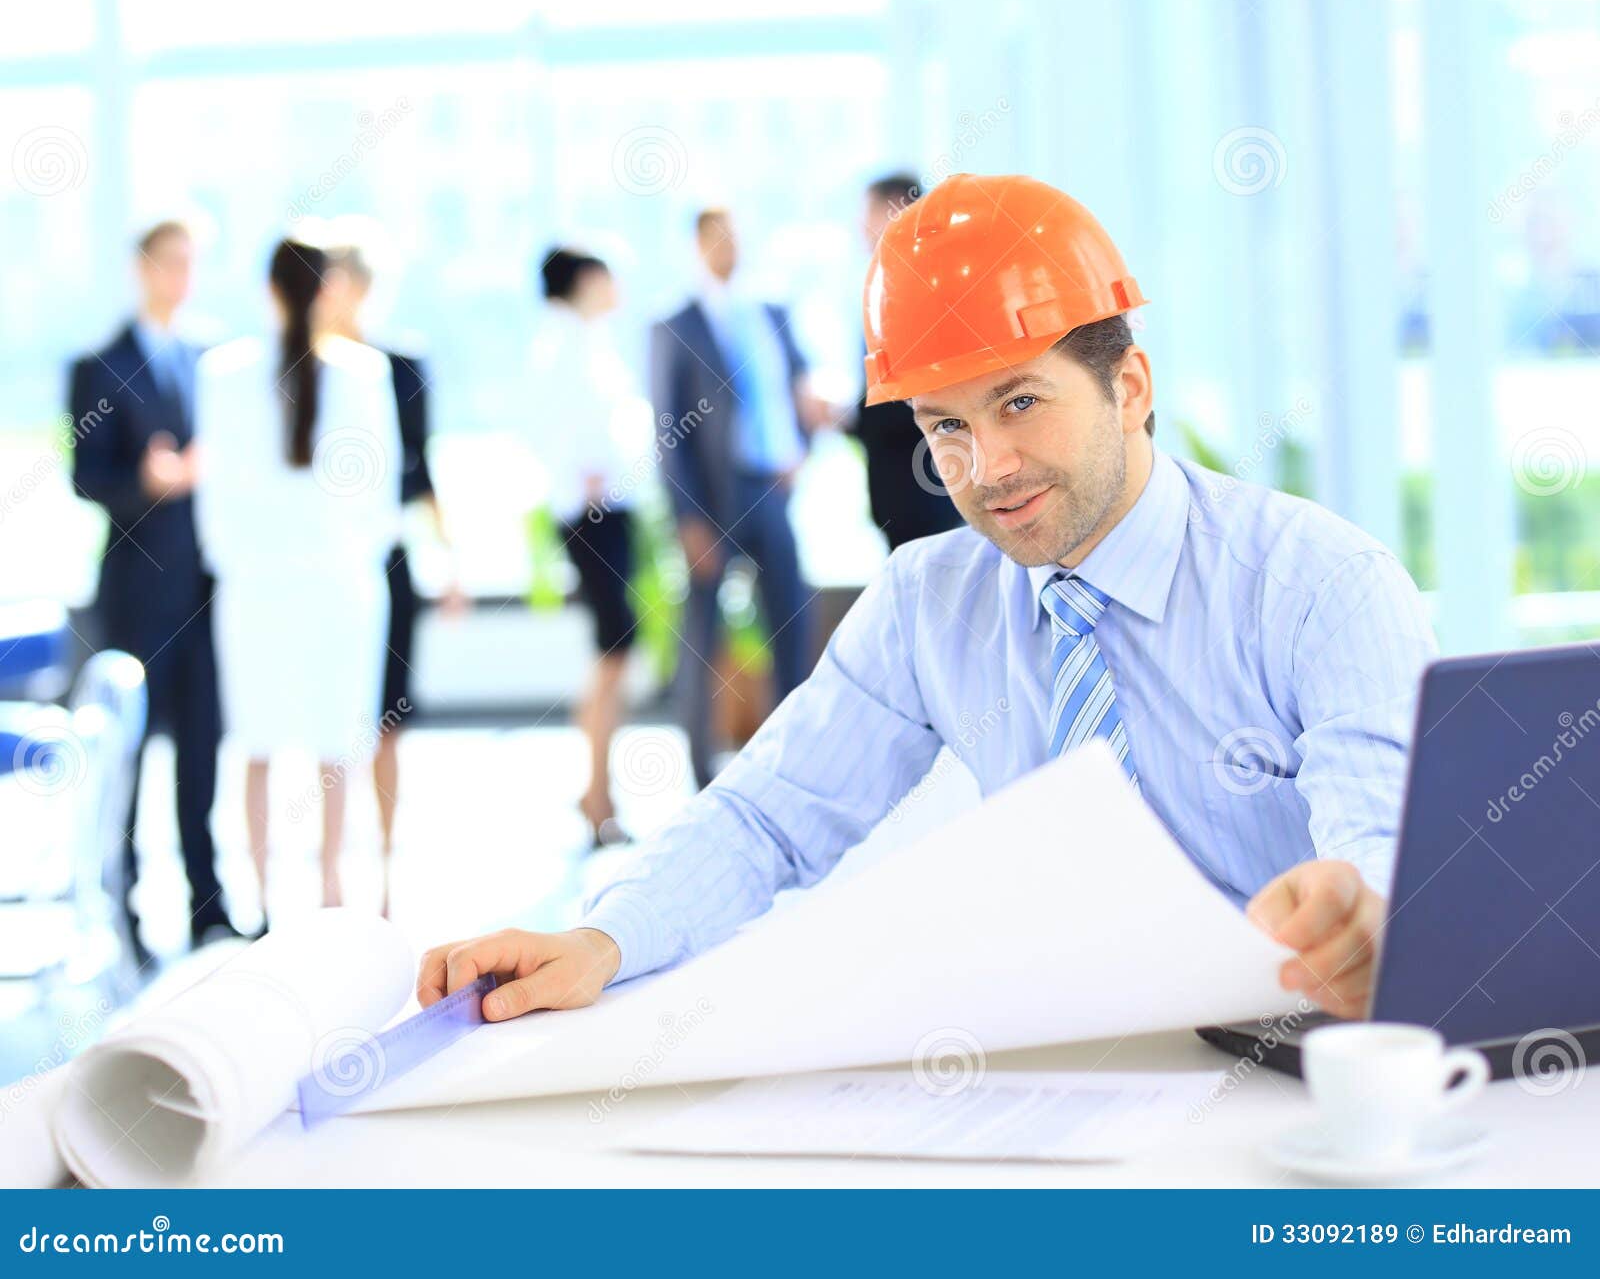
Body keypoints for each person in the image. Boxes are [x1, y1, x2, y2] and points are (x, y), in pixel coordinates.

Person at [418, 174, 1435, 1026]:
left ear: (1129, 387)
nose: (986, 468)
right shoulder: (928, 600)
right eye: (946, 426)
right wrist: (602, 938)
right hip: (1065, 1064)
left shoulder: (1318, 587)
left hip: (1285, 1065)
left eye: (1019, 402)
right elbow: (767, 816)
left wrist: (1370, 919)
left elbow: (1387, 842)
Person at [194, 238, 400, 916]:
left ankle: (261, 899)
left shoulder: (221, 371)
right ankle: (330, 891)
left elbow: (214, 497)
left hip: (254, 587)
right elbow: (380, 496)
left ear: (270, 288)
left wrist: (237, 561)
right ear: (329, 290)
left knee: (257, 743)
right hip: (338, 583)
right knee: (335, 746)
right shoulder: (364, 372)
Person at [69, 219, 236, 954]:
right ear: (141, 267)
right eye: (170, 262)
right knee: (132, 753)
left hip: (207, 586)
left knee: (203, 745)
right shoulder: (99, 366)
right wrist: (147, 481)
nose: (181, 276)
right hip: (138, 587)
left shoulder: (215, 359)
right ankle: (126, 910)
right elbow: (85, 477)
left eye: (191, 263)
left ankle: (209, 904)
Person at [317, 225, 463, 915]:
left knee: (388, 717)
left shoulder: (402, 364)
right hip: (325, 557)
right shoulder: (306, 368)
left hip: (391, 553)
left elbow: (421, 467)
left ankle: (383, 869)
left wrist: (451, 560)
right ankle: (331, 873)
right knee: (329, 717)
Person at [652, 207, 822, 789]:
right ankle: (701, 770)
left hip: (770, 486)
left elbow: (799, 389)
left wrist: (800, 450)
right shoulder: (676, 325)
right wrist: (687, 517)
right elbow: (668, 431)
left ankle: (793, 759)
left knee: (792, 618)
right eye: (718, 237)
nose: (730, 246)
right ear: (698, 245)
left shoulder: (771, 312)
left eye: (736, 235)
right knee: (703, 636)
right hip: (713, 499)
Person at [527, 247, 649, 845]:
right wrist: (591, 477)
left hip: (607, 511)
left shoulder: (587, 341)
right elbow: (562, 435)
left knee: (613, 649)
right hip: (592, 515)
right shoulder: (564, 346)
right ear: (583, 281)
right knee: (615, 647)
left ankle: (596, 789)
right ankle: (597, 793)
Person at [848, 174, 966, 550]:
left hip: (925, 491)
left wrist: (849, 416)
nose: (860, 226)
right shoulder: (888, 288)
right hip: (904, 494)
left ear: (895, 211)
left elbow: (920, 397)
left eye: (868, 211)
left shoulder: (922, 290)